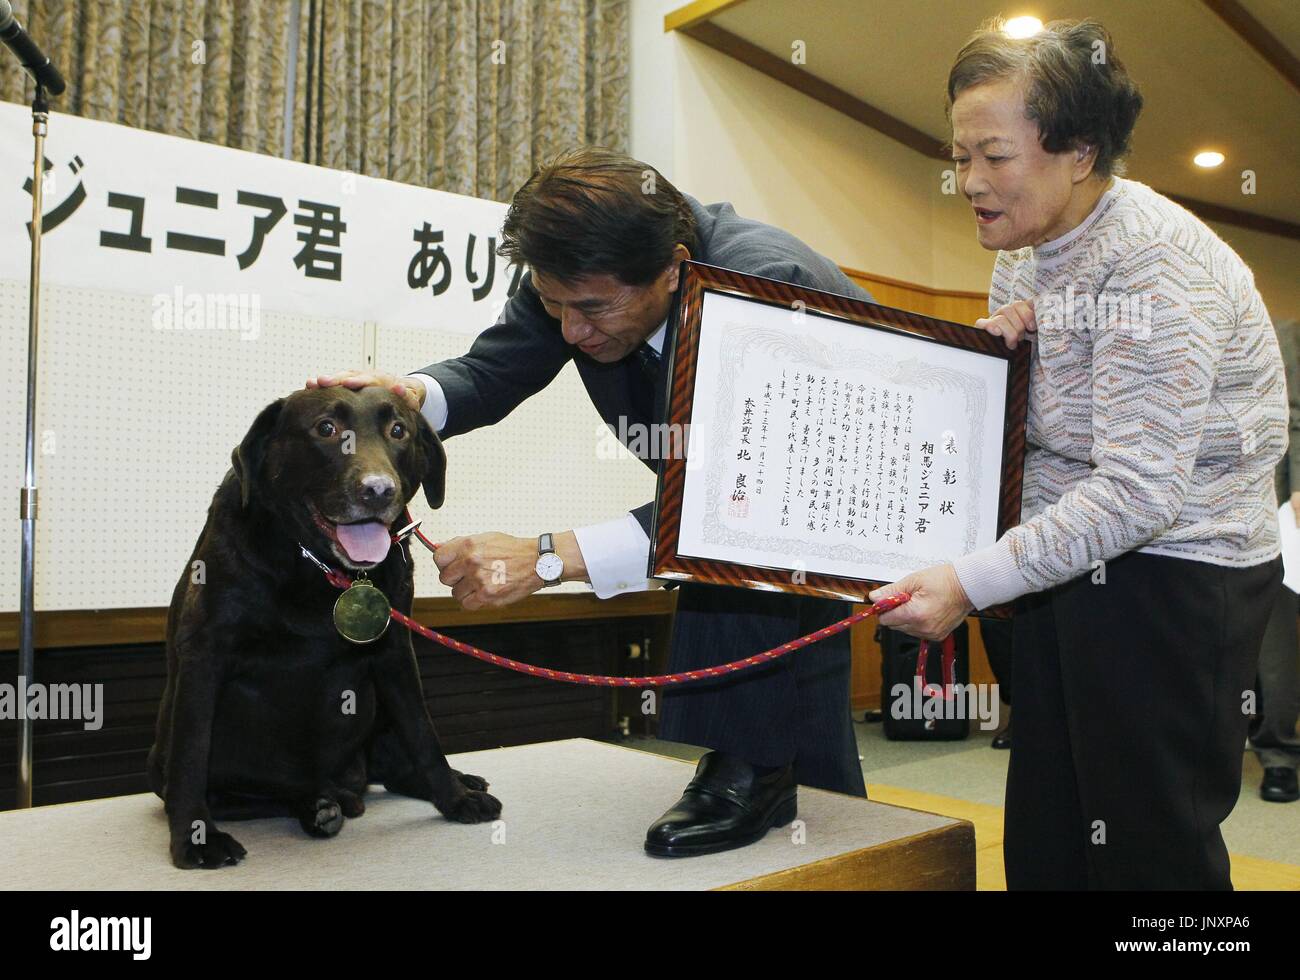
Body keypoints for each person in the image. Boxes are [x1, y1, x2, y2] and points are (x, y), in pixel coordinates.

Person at [310, 147, 875, 857]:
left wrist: (545, 560)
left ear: (673, 267)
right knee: (805, 705)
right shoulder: (577, 274)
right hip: (749, 507)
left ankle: (754, 776)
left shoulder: (765, 286)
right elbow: (494, 368)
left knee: (750, 601)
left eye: (592, 310)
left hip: (831, 496)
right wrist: (407, 399)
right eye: (554, 306)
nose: (571, 332)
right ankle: (820, 821)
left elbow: (744, 502)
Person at [869, 19, 1287, 889]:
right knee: (1054, 828)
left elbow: (1139, 492)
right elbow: (1064, 422)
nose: (969, 183)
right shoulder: (1025, 249)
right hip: (1066, 562)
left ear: (1080, 152)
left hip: (1176, 575)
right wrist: (1003, 366)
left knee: (1150, 850)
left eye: (994, 156)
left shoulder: (1154, 266)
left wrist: (969, 582)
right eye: (959, 157)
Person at [1252, 317, 1300, 803]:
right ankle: (1280, 755)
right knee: (1277, 637)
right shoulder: (1286, 335)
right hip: (1288, 512)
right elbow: (1288, 418)